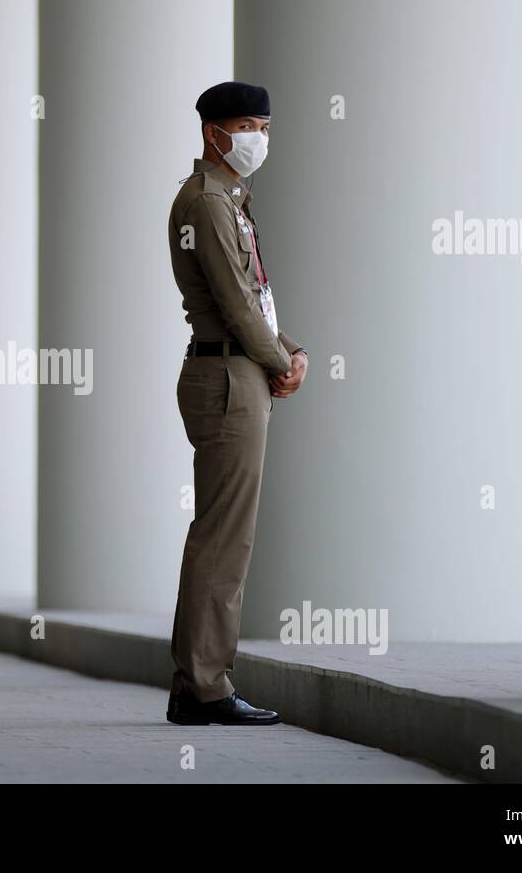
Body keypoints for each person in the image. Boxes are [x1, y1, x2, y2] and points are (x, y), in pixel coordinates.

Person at [165, 81, 309, 725]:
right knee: (223, 537)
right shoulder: (207, 203)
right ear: (212, 132)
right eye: (249, 126)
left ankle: (201, 681)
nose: (260, 139)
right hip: (227, 375)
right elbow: (232, 301)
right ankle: (203, 685)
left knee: (227, 534)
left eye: (266, 127)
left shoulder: (228, 200)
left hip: (238, 369)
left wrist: (289, 349)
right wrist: (283, 363)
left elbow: (254, 301)